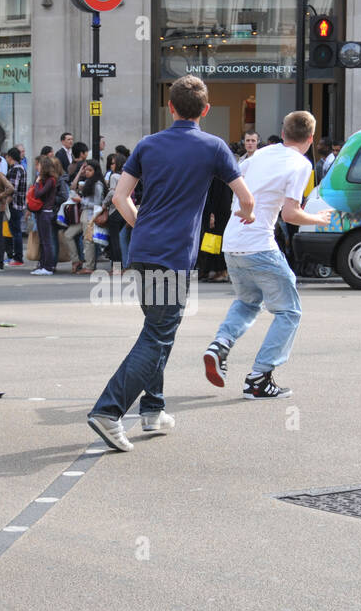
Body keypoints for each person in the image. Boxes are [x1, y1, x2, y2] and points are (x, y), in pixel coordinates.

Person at [86, 74, 255, 452]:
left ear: (172, 108)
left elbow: (120, 198)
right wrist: (246, 215)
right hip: (174, 255)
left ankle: (153, 409)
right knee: (158, 333)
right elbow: (245, 198)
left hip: (143, 250)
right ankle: (108, 411)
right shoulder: (214, 148)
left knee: (158, 326)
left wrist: (140, 225)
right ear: (206, 110)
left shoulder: (147, 144)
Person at [203, 110, 333, 400]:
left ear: (283, 132)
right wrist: (319, 220)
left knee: (248, 302)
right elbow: (290, 214)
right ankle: (260, 378)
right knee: (289, 311)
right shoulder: (301, 164)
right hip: (260, 244)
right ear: (310, 139)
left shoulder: (257, 156)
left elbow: (235, 186)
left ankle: (220, 344)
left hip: (232, 242)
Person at [30, 155, 59, 275]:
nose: (37, 167)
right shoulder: (46, 180)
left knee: (47, 241)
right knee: (42, 240)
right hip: (41, 212)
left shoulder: (51, 180)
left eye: (39, 165)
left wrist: (37, 183)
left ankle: (48, 267)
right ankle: (42, 265)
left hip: (46, 212)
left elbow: (38, 194)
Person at [3, 147, 27, 267]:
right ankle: (16, 257)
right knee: (15, 231)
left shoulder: (15, 170)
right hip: (20, 204)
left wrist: (5, 201)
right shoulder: (21, 168)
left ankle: (17, 258)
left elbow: (12, 189)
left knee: (15, 232)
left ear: (10, 157)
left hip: (14, 205)